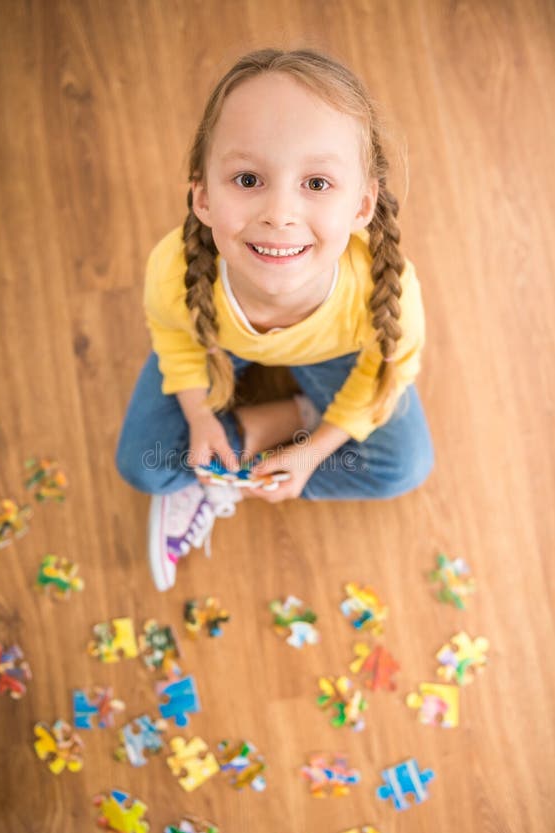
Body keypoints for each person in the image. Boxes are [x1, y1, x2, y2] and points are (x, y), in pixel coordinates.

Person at [116, 47, 435, 591]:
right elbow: (175, 337)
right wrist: (199, 418)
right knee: (142, 466)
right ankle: (275, 424)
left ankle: (242, 456)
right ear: (203, 197)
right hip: (217, 341)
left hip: (334, 356)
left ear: (362, 205)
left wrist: (314, 452)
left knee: (402, 466)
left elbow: (389, 375)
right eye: (247, 180)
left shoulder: (388, 294)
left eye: (316, 184)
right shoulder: (176, 271)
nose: (279, 214)